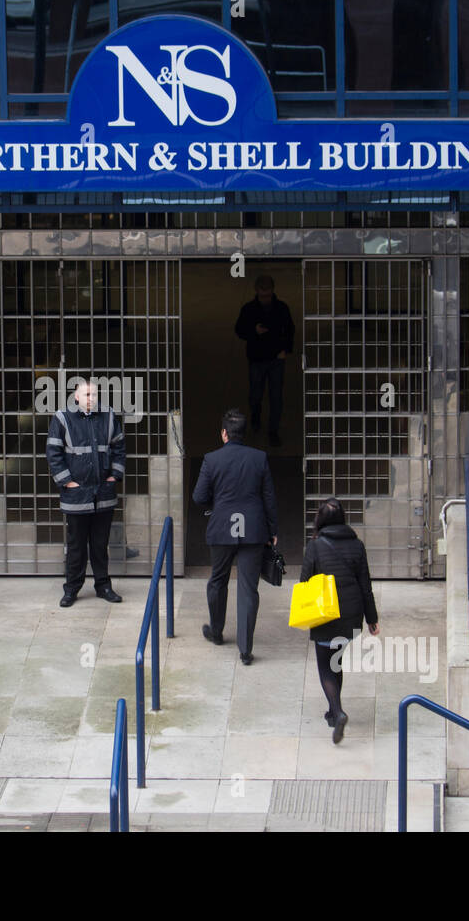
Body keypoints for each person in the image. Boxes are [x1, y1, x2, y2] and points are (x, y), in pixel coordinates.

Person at [192, 408, 277, 665]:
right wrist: (272, 530)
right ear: (244, 434)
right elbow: (269, 498)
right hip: (253, 530)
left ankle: (217, 632)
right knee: (248, 589)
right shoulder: (259, 458)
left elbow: (198, 497)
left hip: (221, 527)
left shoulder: (211, 459)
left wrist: (213, 506)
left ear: (224, 434)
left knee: (218, 581)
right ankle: (245, 649)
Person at [301, 497, 379, 744]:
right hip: (351, 615)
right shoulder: (357, 545)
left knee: (325, 667)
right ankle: (334, 712)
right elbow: (366, 586)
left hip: (326, 614)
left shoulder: (314, 546)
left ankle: (337, 711)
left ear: (320, 520)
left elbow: (305, 582)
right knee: (337, 661)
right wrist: (372, 619)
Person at [45, 380, 126, 607]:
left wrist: (114, 477)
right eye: (87, 394)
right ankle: (71, 589)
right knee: (76, 547)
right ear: (76, 396)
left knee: (100, 545)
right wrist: (68, 482)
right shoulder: (63, 418)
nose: (92, 398)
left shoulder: (108, 416)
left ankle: (103, 587)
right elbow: (53, 453)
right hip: (77, 497)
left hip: (103, 494)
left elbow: (119, 447)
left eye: (94, 394)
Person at [234, 275, 295, 448]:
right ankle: (256, 417)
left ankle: (272, 430)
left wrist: (285, 350)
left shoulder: (281, 308)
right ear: (257, 291)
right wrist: (253, 331)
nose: (266, 299)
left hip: (274, 358)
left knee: (276, 397)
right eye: (263, 295)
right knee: (256, 395)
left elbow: (290, 330)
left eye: (267, 295)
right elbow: (239, 330)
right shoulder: (250, 310)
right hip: (258, 358)